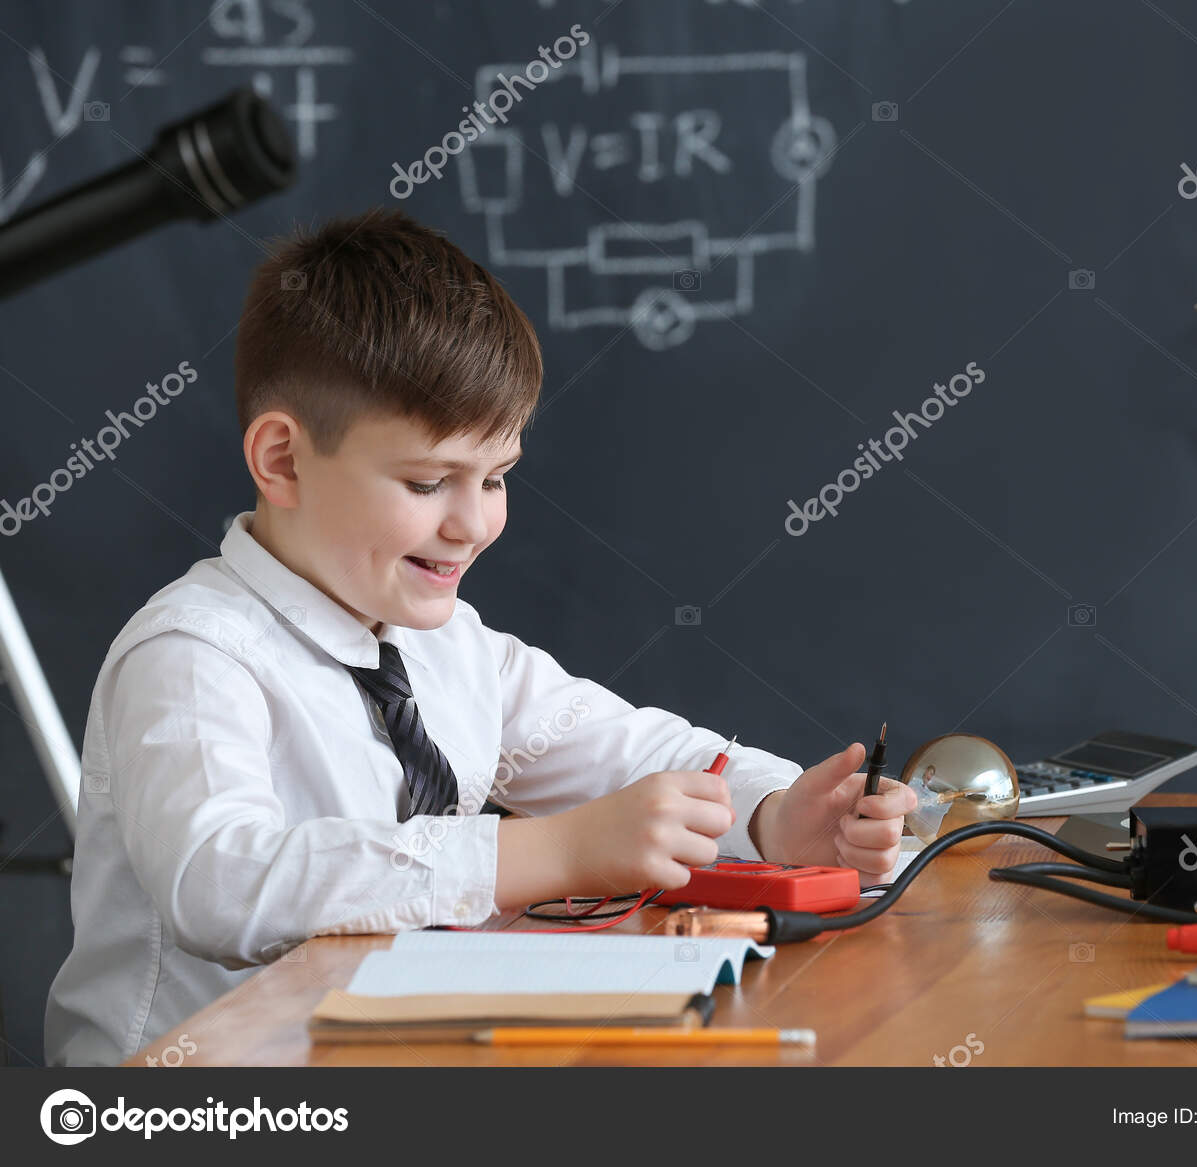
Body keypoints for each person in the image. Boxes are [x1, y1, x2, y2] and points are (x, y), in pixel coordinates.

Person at [45, 209, 915, 1065]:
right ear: (282, 461)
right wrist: (549, 849)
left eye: (496, 477)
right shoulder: (193, 655)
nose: (474, 523)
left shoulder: (447, 645)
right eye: (429, 481)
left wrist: (773, 815)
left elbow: (633, 749)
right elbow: (219, 882)